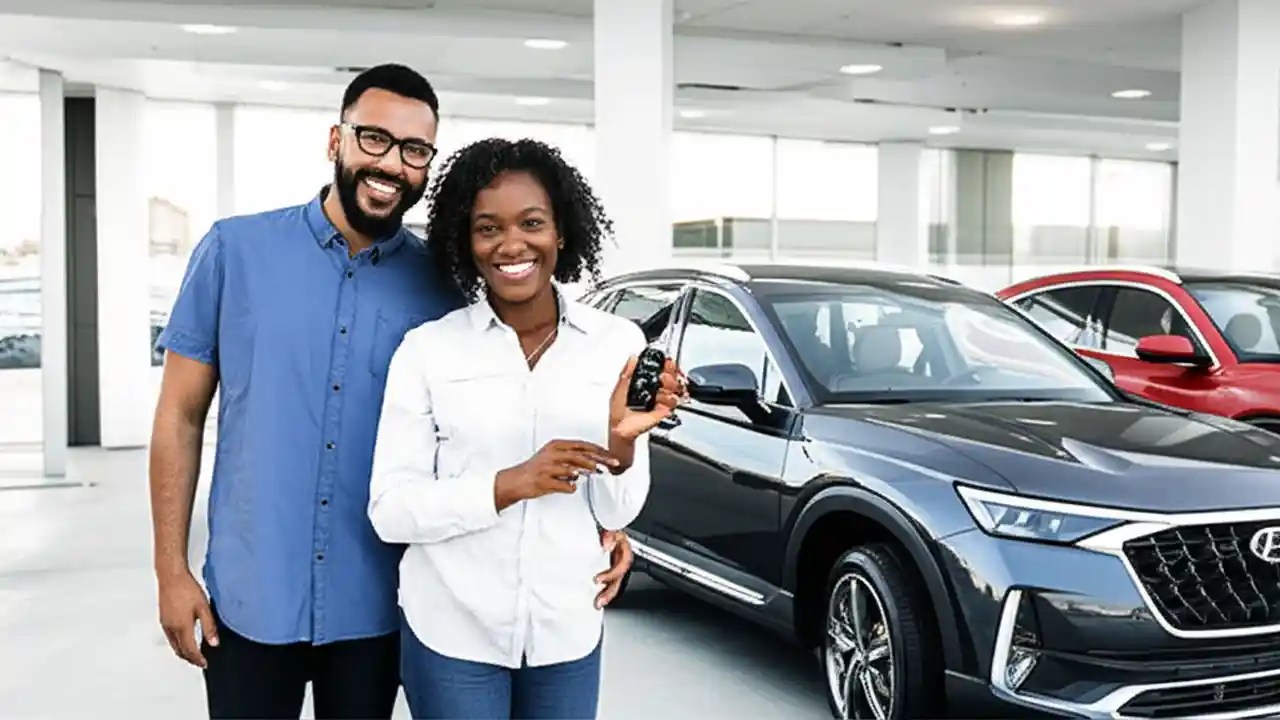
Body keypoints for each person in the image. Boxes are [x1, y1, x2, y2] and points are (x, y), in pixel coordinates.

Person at [147, 65, 636, 720]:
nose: (391, 164)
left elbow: (496, 418)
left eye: (414, 151)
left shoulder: (446, 283)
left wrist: (593, 526)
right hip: (249, 596)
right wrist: (170, 570)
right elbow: (179, 416)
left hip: (377, 605)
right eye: (373, 139)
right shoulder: (234, 251)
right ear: (335, 140)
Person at [366, 137, 683, 720]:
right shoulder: (429, 351)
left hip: (566, 626)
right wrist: (511, 482)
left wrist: (622, 440)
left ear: (561, 231)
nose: (511, 244)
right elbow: (390, 510)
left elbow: (615, 514)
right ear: (467, 242)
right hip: (452, 629)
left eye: (531, 222)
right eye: (488, 228)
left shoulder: (618, 345)